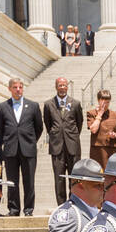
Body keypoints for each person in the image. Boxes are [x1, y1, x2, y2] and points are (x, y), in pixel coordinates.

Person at [0, 77, 44, 216]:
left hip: (28, 149)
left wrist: (30, 141)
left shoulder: (33, 106)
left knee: (29, 182)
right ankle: (13, 209)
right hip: (11, 150)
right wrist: (8, 140)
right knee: (12, 182)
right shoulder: (3, 106)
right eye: (15, 87)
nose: (18, 90)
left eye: (20, 87)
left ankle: (28, 210)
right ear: (9, 89)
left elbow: (39, 127)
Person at [44, 76, 85, 207]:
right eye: (60, 85)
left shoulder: (76, 103)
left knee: (74, 177)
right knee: (59, 178)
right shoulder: (48, 104)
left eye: (64, 85)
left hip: (72, 145)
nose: (62, 87)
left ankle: (74, 203)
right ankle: (61, 205)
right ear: (56, 87)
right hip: (57, 146)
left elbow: (79, 123)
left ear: (67, 87)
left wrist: (71, 135)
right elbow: (48, 123)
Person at [86, 89, 116, 167]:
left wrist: (115, 135)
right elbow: (93, 130)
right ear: (98, 100)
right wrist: (100, 114)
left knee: (111, 173)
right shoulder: (91, 113)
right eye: (103, 102)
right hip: (97, 150)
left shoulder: (114, 115)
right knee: (98, 174)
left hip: (111, 149)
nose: (105, 105)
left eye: (107, 102)